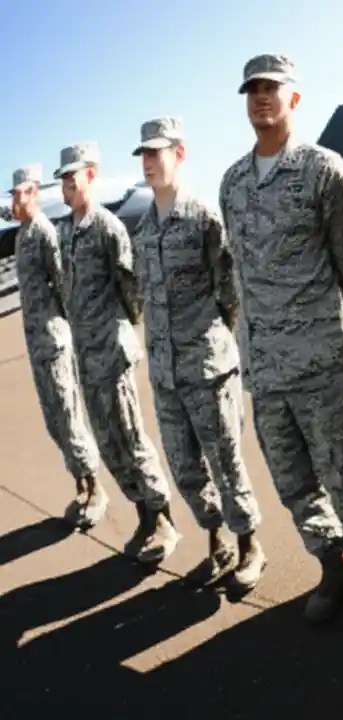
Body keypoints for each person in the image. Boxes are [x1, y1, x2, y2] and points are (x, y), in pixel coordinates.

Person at [219, 54, 343, 630]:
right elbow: (238, 272)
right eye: (253, 89)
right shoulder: (233, 183)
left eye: (273, 88)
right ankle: (331, 566)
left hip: (320, 362)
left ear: (295, 98)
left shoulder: (323, 170)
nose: (262, 97)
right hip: (264, 370)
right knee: (291, 478)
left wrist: (310, 322)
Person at [132, 117, 267, 591]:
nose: (149, 162)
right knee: (185, 467)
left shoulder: (203, 218)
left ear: (179, 154)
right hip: (166, 375)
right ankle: (215, 539)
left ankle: (250, 545)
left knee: (226, 461)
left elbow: (230, 292)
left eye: (157, 152)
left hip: (207, 367)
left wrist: (213, 343)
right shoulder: (144, 233)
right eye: (143, 155)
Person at [54, 141, 179, 565]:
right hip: (85, 358)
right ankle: (142, 512)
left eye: (75, 174)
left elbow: (131, 289)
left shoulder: (107, 228)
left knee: (131, 437)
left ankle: (163, 518)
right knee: (108, 444)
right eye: (64, 177)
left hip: (111, 351)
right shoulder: (63, 233)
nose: (68, 182)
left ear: (92, 174)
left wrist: (121, 333)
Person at [10, 163, 102, 528]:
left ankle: (96, 489)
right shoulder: (21, 237)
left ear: (32, 193)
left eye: (17, 194)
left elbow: (63, 286)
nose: (13, 202)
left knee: (68, 413)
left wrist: (70, 333)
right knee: (54, 420)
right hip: (36, 344)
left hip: (55, 341)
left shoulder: (46, 233)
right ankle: (79, 484)